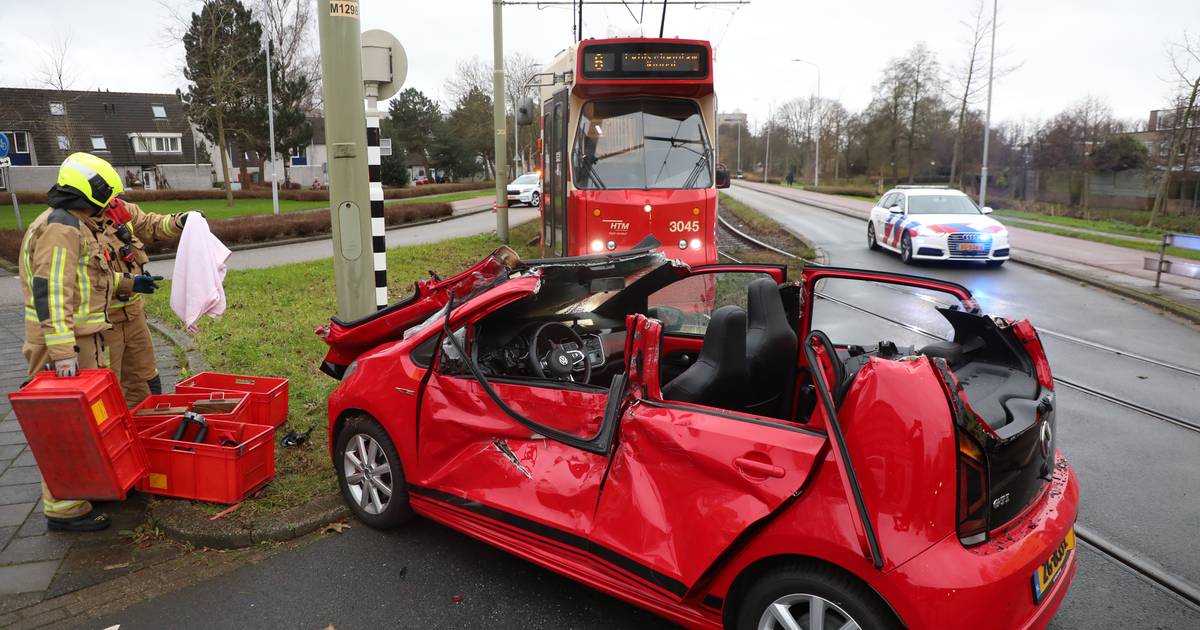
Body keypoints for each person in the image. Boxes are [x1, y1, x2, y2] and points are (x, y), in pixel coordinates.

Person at [18, 153, 156, 532]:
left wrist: (128, 283)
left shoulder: (78, 224)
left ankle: (86, 488)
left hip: (84, 339)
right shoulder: (61, 229)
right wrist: (63, 355)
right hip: (63, 345)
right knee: (64, 425)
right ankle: (63, 507)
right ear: (89, 194)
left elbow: (90, 280)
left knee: (87, 422)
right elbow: (53, 293)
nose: (110, 205)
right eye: (106, 197)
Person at [99, 197, 192, 407]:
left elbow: (149, 224)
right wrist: (128, 283)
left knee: (145, 379)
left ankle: (142, 431)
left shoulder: (119, 209)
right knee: (105, 389)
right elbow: (84, 277)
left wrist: (180, 221)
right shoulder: (75, 225)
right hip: (102, 324)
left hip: (134, 316)